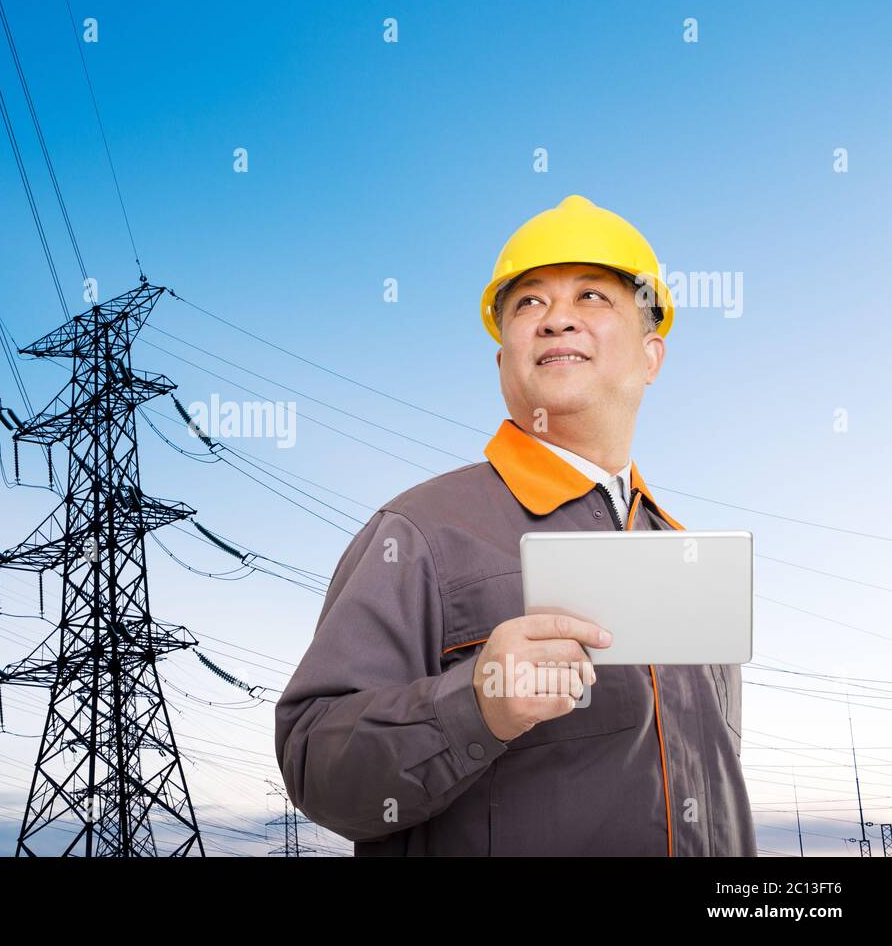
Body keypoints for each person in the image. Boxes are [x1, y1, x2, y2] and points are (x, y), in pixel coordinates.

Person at [273, 194, 754, 855]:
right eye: (528, 303)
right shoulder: (417, 532)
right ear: (504, 363)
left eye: (593, 296)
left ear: (651, 357)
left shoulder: (690, 561)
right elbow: (313, 765)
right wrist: (476, 703)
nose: (557, 319)